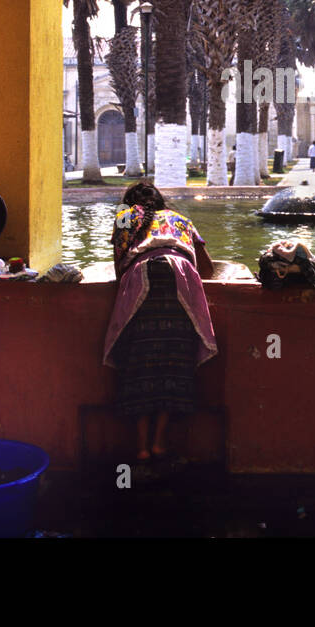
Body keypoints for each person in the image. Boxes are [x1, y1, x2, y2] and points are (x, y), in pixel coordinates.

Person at [105, 182, 217, 462]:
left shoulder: (124, 218)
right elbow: (207, 268)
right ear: (160, 201)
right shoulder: (180, 220)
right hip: (180, 284)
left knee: (140, 364)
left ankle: (141, 447)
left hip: (141, 285)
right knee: (173, 362)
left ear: (128, 202)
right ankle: (159, 443)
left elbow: (120, 269)